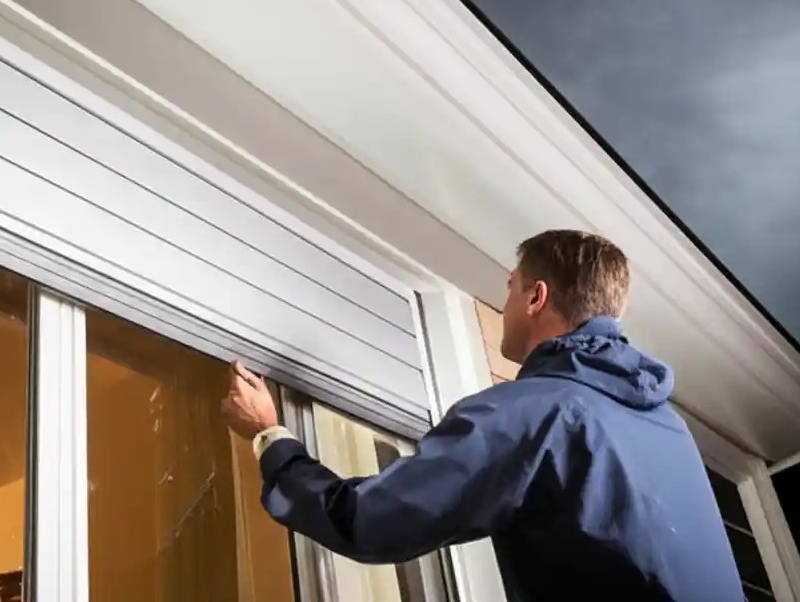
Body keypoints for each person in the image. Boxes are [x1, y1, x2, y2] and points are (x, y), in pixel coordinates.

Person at [221, 229, 745, 601]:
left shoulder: (534, 414)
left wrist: (271, 437)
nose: (506, 304)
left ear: (537, 296)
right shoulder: (663, 423)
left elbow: (369, 521)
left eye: (511, 288)